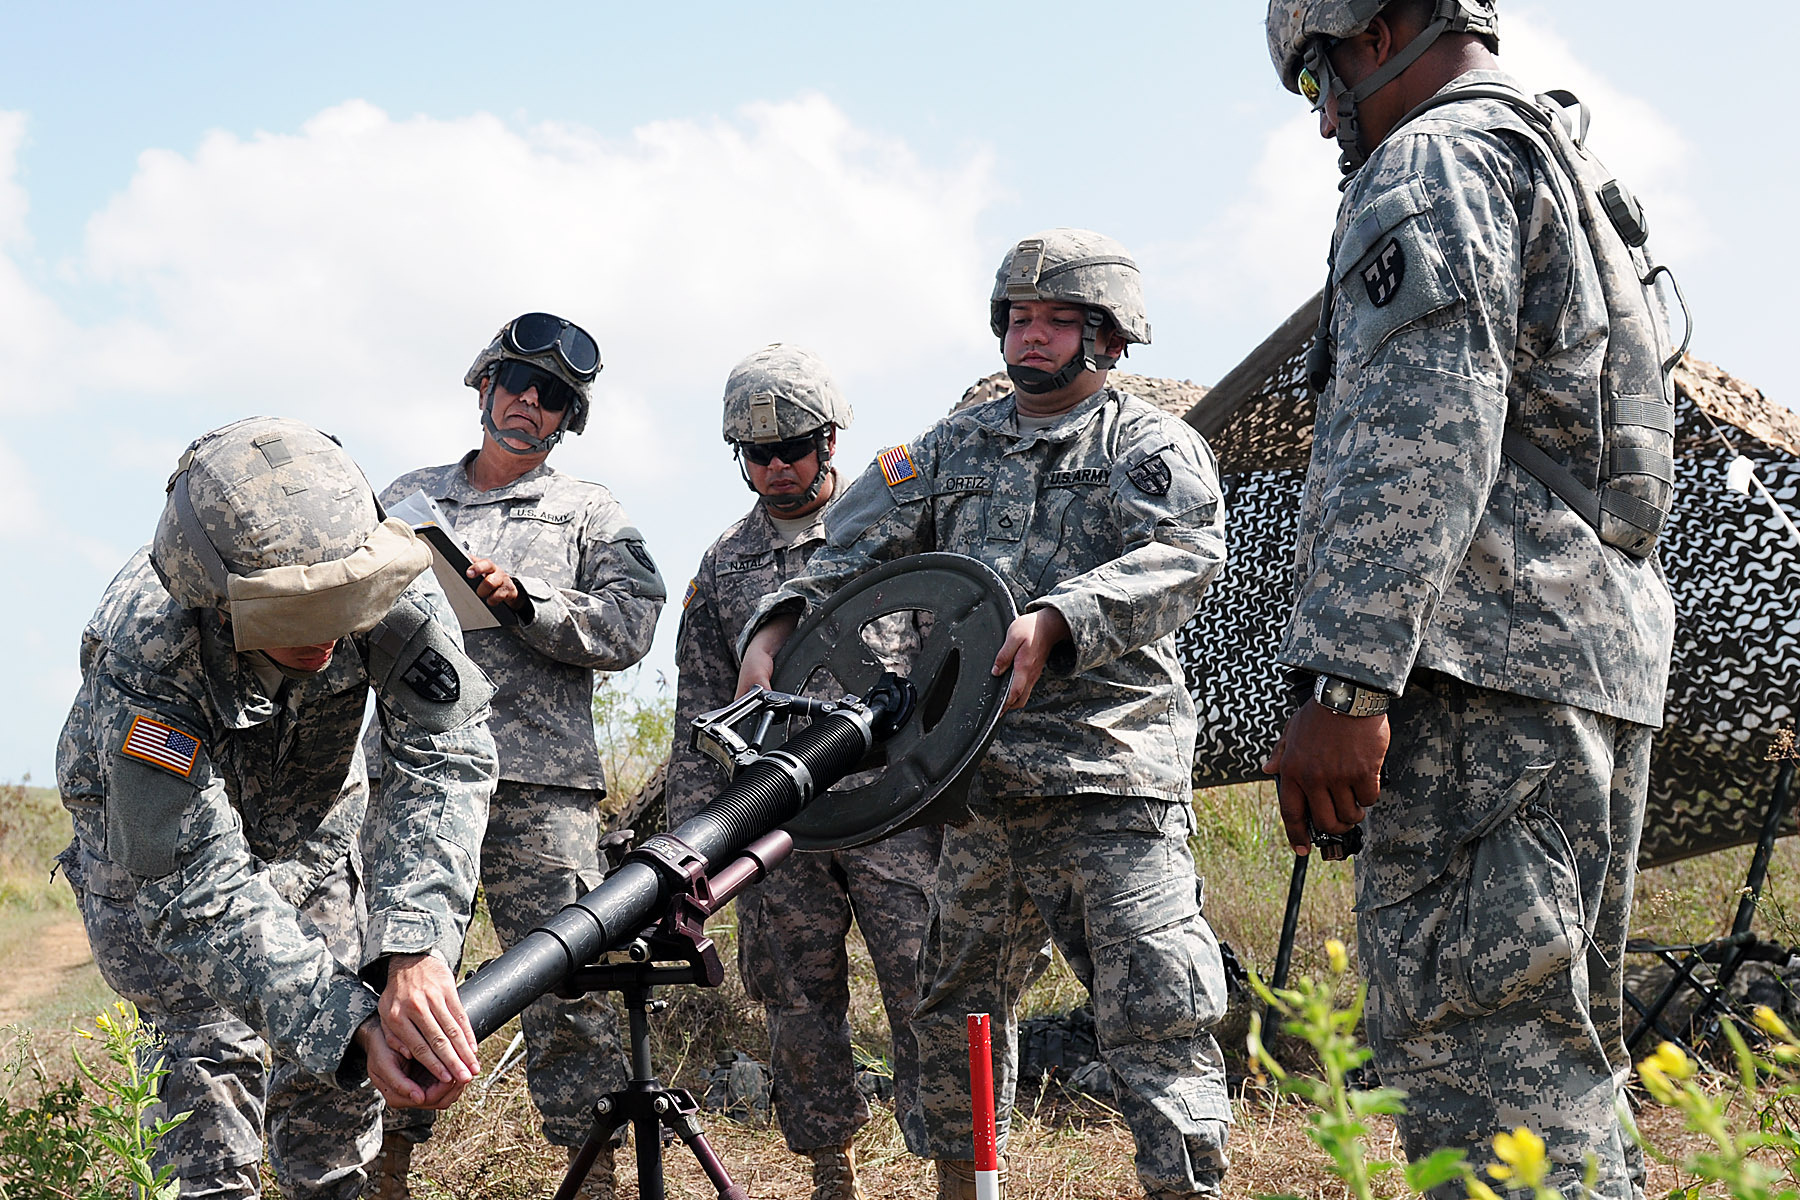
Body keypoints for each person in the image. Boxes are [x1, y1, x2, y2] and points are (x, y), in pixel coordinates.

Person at [1260, 3, 1677, 1195]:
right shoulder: (1558, 156)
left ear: (1379, 27)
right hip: (1571, 663)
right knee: (1550, 1070)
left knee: (1485, 1068)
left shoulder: (1433, 159)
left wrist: (1346, 682)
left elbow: (1420, 429)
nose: (1325, 116)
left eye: (1316, 80)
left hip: (1484, 679)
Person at [736, 231, 1233, 1200]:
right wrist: (781, 623)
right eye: (1018, 317)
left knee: (1159, 1015)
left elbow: (1186, 556)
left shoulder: (1148, 447)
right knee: (954, 1014)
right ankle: (967, 1191)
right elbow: (852, 547)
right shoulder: (952, 445)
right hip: (977, 788)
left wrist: (1062, 618)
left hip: (1108, 783)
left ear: (1111, 336)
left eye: (1056, 321)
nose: (1031, 336)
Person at [55, 416, 497, 1199]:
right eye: (292, 614)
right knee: (207, 1074)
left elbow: (444, 757)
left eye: (340, 607)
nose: (326, 634)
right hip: (153, 862)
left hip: (313, 833)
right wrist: (341, 1020)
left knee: (337, 1087)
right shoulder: (150, 649)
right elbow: (191, 886)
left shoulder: (378, 572)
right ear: (216, 600)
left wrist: (414, 946)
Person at [369, 312, 665, 1199]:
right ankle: (382, 1167)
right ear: (485, 385)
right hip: (415, 780)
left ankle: (596, 1173)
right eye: (518, 386)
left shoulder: (588, 510)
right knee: (398, 975)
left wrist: (528, 600)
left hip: (542, 789)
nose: (530, 406)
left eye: (554, 400)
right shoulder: (407, 499)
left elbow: (632, 623)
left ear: (568, 420)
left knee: (567, 980)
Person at [666, 343, 939, 1200]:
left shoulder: (887, 533)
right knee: (795, 997)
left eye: (794, 448)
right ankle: (831, 1169)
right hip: (780, 820)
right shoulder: (723, 566)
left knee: (924, 985)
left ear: (830, 440)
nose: (777, 467)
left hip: (893, 809)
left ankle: (958, 1169)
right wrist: (695, 843)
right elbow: (702, 710)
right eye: (758, 454)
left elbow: (949, 662)